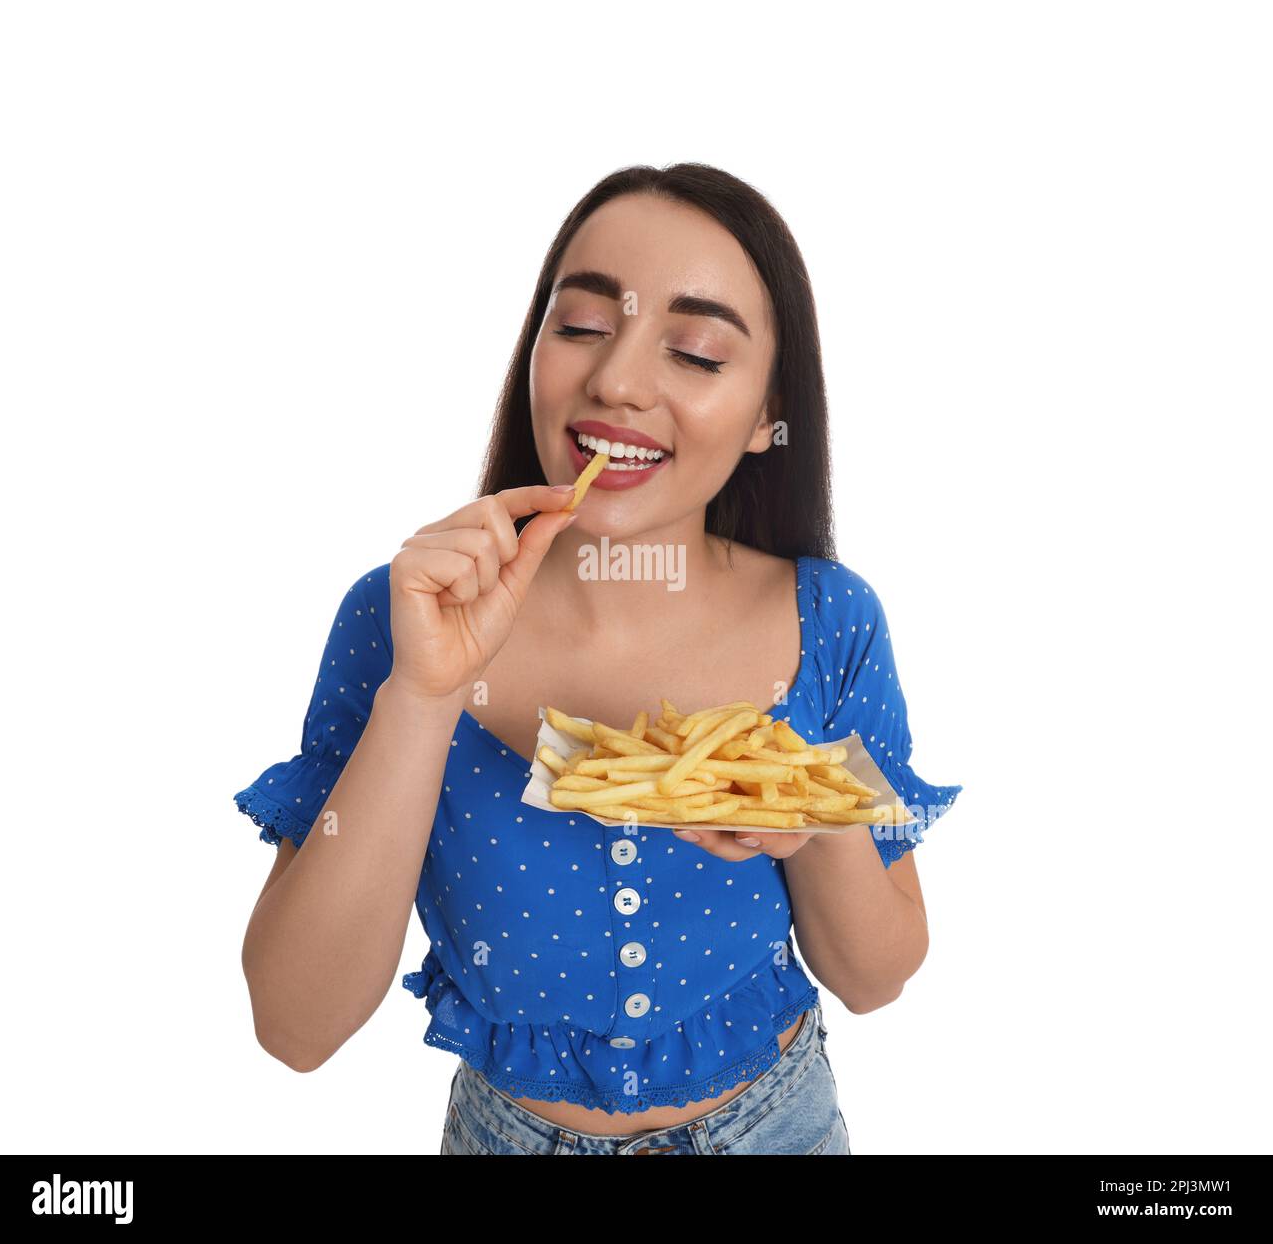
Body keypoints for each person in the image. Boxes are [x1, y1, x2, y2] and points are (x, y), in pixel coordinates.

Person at [235, 163, 962, 1155]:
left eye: (698, 352)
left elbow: (878, 977)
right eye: (578, 327)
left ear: (765, 416)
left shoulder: (830, 620)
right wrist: (423, 693)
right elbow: (294, 1027)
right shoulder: (397, 617)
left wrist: (813, 815)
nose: (617, 381)